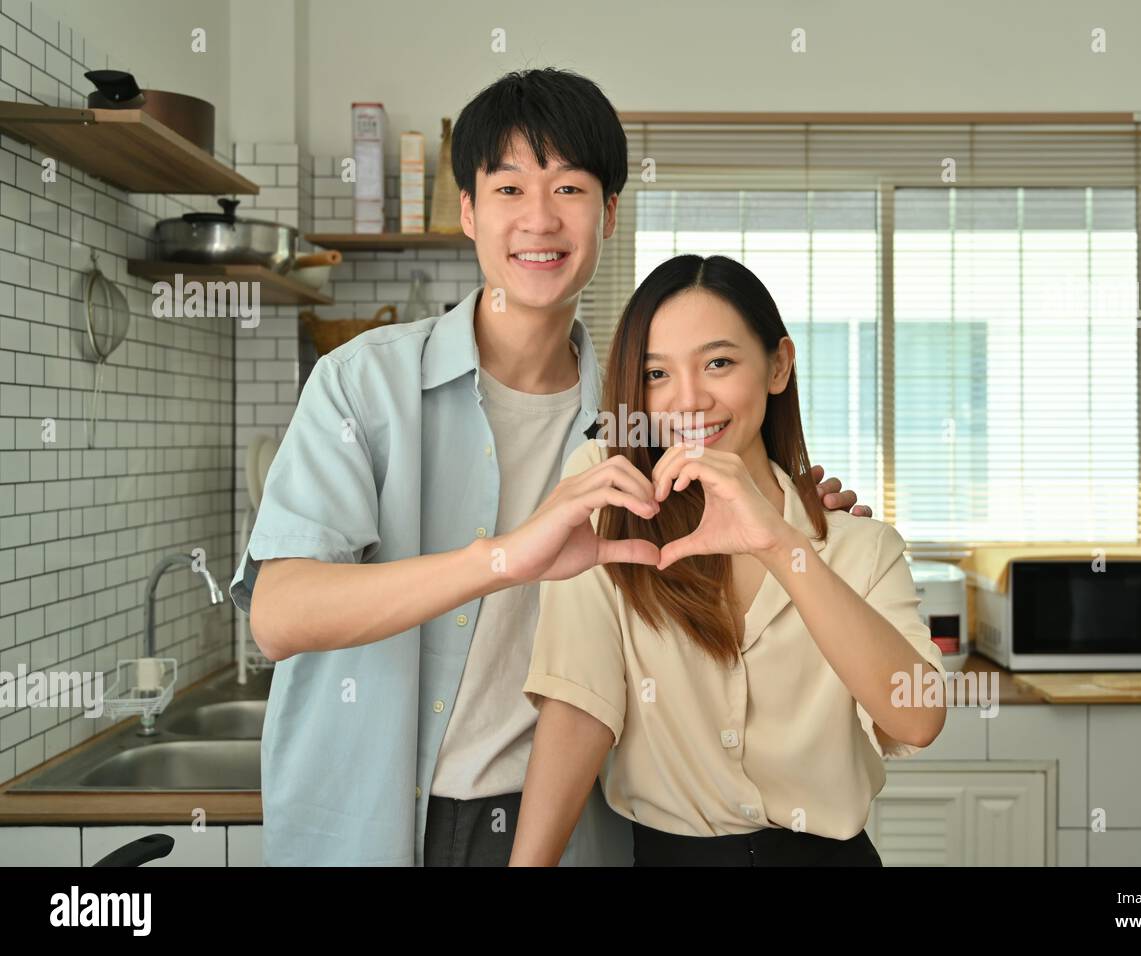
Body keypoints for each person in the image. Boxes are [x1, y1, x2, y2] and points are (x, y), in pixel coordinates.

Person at [228, 70, 868, 866]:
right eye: (508, 188)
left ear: (606, 215)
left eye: (568, 186)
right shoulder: (364, 385)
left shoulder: (642, 418)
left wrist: (810, 526)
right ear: (468, 211)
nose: (539, 218)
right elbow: (279, 616)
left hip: (562, 826)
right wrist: (501, 558)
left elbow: (732, 560)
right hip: (369, 822)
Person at [510, 254, 947, 867]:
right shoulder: (609, 510)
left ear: (778, 366)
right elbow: (578, 706)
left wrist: (781, 544)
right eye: (657, 373)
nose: (688, 399)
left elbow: (918, 718)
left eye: (718, 362)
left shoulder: (861, 548)